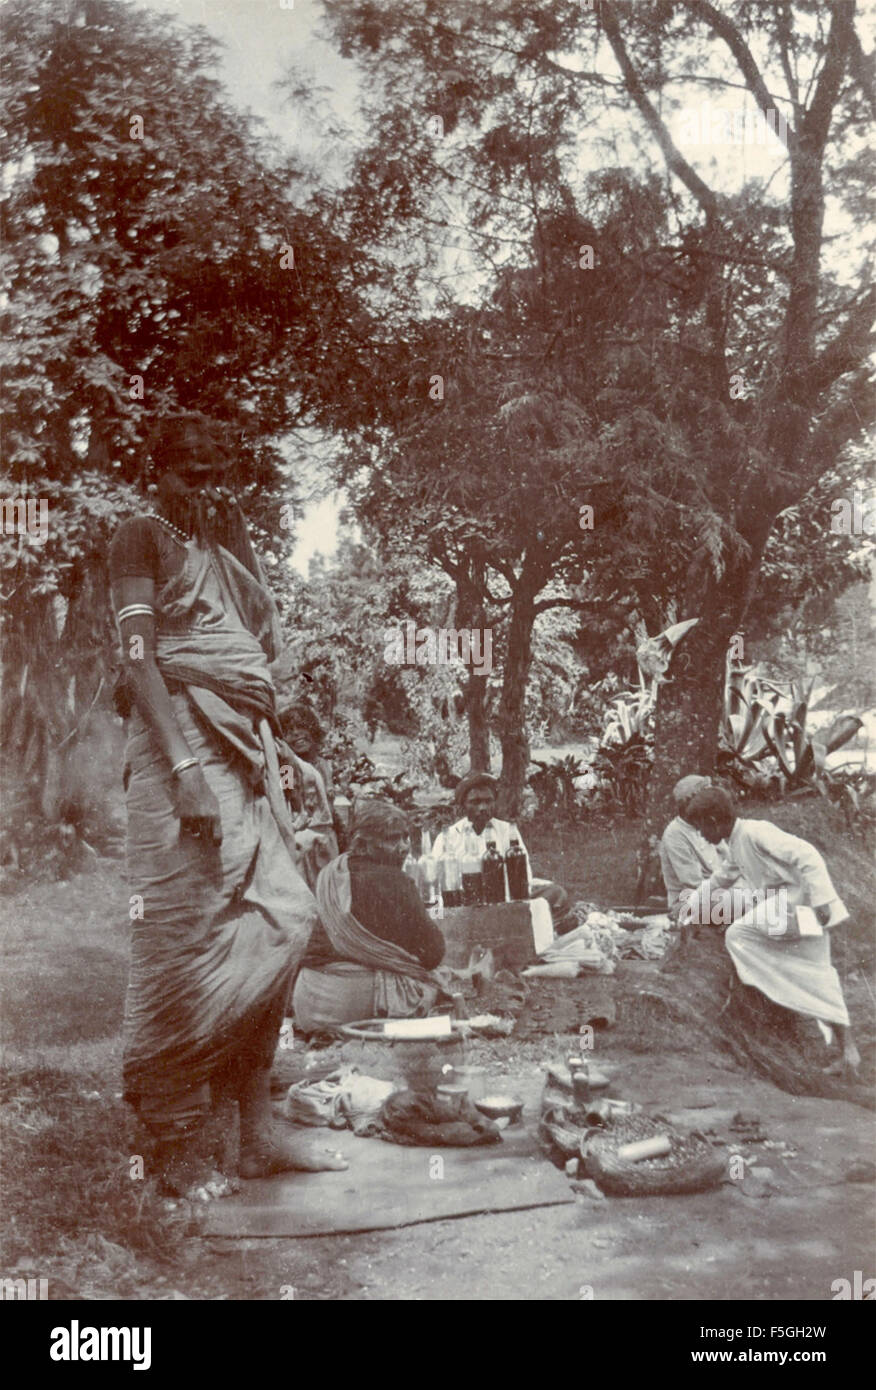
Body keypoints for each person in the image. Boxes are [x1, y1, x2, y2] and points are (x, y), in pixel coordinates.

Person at [109, 412, 347, 1194]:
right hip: (178, 752)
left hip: (241, 755)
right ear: (160, 469)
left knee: (284, 922)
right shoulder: (138, 535)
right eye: (190, 470)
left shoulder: (215, 542)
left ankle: (255, 1133)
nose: (204, 483)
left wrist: (232, 528)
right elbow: (140, 657)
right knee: (184, 947)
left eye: (216, 471)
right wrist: (183, 769)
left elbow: (253, 636)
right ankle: (175, 1143)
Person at [685, 786, 860, 1075]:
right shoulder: (735, 843)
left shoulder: (756, 832)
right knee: (817, 974)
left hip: (799, 909)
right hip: (791, 913)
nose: (701, 835)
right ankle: (848, 1052)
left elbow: (807, 854)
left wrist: (821, 900)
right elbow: (720, 878)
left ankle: (768, 985)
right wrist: (690, 908)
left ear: (715, 820)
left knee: (738, 935)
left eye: (702, 827)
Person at [292, 798, 446, 1032]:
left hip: (308, 1004)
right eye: (393, 839)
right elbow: (434, 953)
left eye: (406, 837)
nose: (404, 847)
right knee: (431, 983)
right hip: (350, 1010)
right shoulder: (397, 881)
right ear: (362, 845)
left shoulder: (331, 872)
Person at [431, 771, 577, 934]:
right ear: (463, 805)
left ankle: (527, 927)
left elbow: (524, 876)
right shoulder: (448, 837)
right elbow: (436, 885)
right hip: (465, 904)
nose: (483, 807)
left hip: (505, 900)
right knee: (438, 912)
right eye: (475, 802)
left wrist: (506, 903)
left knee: (556, 893)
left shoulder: (507, 831)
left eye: (488, 801)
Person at [659, 774, 734, 926]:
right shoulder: (675, 834)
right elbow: (693, 883)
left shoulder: (705, 824)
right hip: (690, 901)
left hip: (718, 889)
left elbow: (730, 858)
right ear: (688, 803)